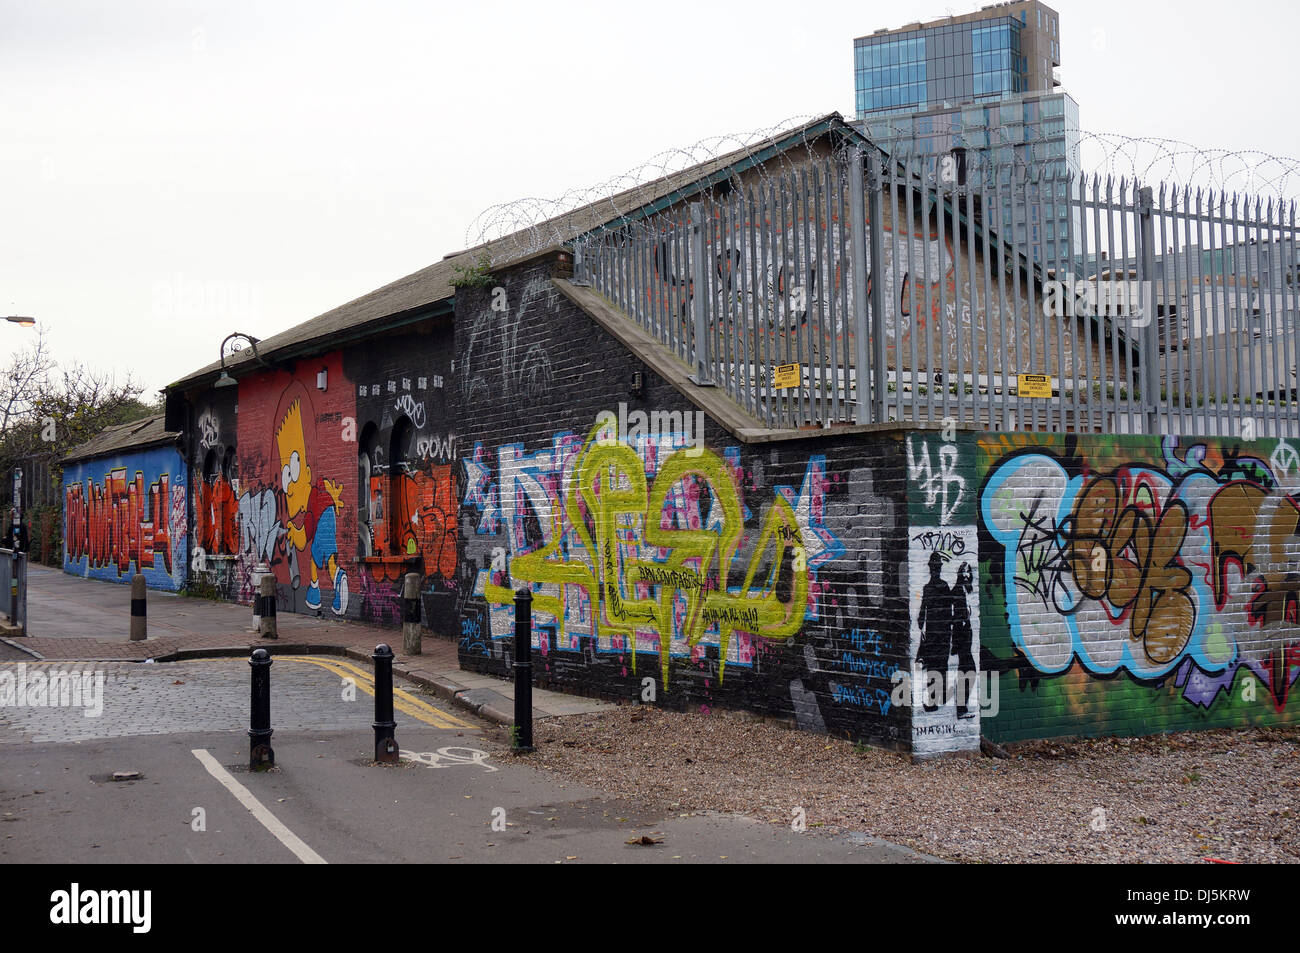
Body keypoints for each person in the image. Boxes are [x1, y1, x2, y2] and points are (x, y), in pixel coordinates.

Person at [915, 551, 952, 712]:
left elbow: (922, 612)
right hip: (941, 633)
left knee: (934, 668)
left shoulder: (929, 588)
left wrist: (921, 625)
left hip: (934, 634)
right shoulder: (943, 587)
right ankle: (940, 697)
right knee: (940, 666)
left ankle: (933, 701)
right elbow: (948, 610)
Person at [951, 562, 977, 718]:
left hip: (966, 635)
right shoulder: (957, 592)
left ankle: (962, 707)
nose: (967, 575)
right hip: (962, 636)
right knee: (968, 670)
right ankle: (961, 708)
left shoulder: (965, 591)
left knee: (966, 670)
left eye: (969, 572)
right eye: (964, 572)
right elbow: (953, 616)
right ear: (959, 574)